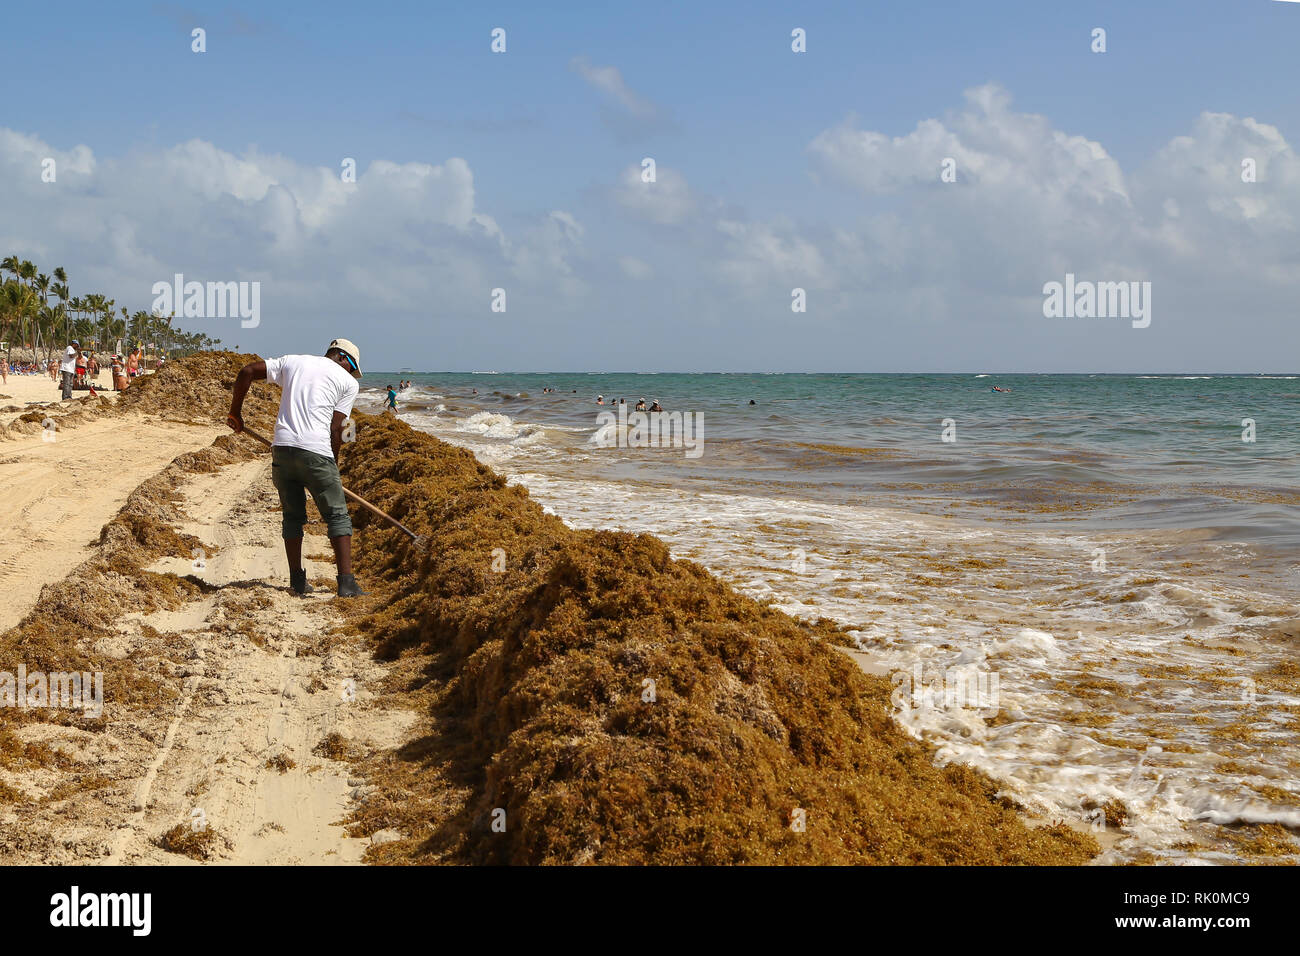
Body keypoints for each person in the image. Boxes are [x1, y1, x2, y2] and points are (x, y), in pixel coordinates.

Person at [227, 338, 367, 598]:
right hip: (317, 451)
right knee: (337, 516)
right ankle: (346, 583)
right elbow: (338, 428)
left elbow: (246, 371)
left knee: (292, 517)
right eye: (352, 367)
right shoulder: (348, 382)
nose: (351, 372)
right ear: (344, 360)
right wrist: (332, 465)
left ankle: (297, 581)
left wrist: (236, 414)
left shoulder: (293, 361)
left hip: (282, 449)